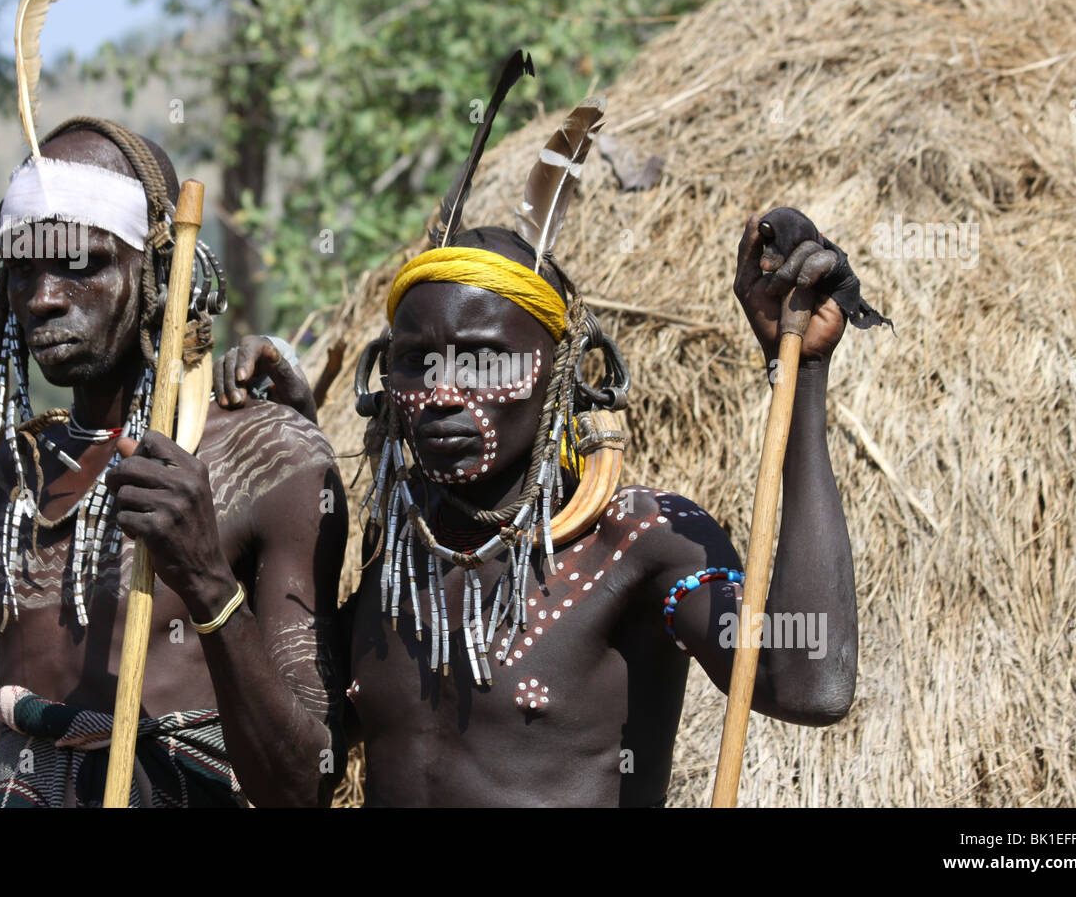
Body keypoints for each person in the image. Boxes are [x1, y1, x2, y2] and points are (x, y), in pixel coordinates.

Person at [218, 52, 875, 806]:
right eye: (415, 362)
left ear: (567, 373)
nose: (443, 393)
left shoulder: (642, 542)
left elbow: (811, 681)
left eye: (487, 363)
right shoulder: (395, 553)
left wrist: (805, 375)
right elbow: (298, 774)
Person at [0, 118, 347, 807]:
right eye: (22, 268)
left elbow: (308, 779)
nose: (43, 297)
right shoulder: (1, 486)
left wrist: (205, 579)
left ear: (157, 269)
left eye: (81, 264)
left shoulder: (270, 459)